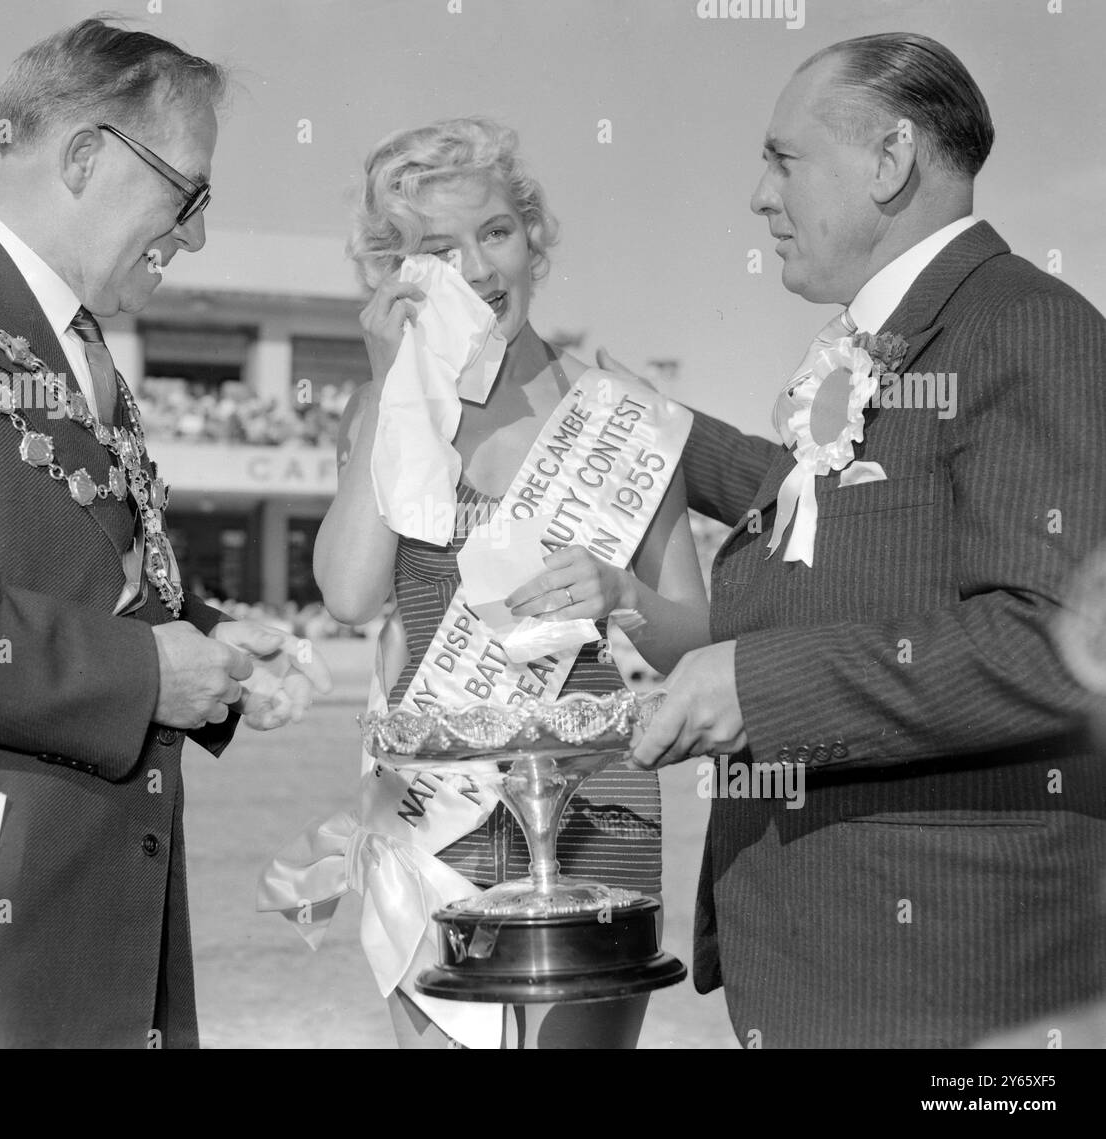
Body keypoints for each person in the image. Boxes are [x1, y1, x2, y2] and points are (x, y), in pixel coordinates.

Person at [0, 17, 329, 1049]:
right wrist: (144, 673)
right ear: (87, 156)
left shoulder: (79, 356)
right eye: (190, 194)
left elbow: (70, 579)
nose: (196, 235)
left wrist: (213, 642)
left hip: (98, 944)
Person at [621, 32, 1106, 1047]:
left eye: (782, 158)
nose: (759, 195)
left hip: (941, 977)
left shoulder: (1027, 327)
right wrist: (647, 429)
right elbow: (839, 515)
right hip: (824, 951)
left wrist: (756, 684)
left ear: (888, 161)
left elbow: (1052, 641)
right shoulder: (891, 337)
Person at [307, 117, 710, 1048]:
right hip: (437, 801)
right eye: (440, 250)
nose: (481, 268)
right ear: (397, 274)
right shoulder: (389, 411)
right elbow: (348, 594)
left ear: (535, 236)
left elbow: (692, 630)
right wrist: (389, 392)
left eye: (497, 231)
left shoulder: (625, 416)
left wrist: (623, 595)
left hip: (596, 795)